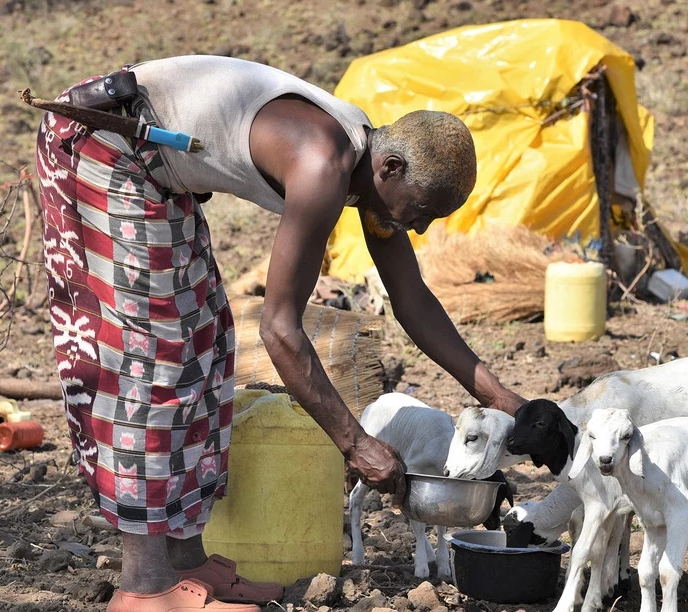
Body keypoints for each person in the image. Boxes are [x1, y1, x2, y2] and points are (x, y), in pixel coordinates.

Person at [34, 55, 525, 612]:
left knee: (207, 343)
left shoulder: (371, 170)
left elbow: (411, 300)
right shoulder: (323, 167)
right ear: (390, 169)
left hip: (154, 163)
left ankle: (187, 562)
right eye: (425, 210)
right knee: (153, 359)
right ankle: (146, 586)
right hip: (102, 143)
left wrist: (500, 397)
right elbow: (281, 331)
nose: (421, 227)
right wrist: (356, 444)